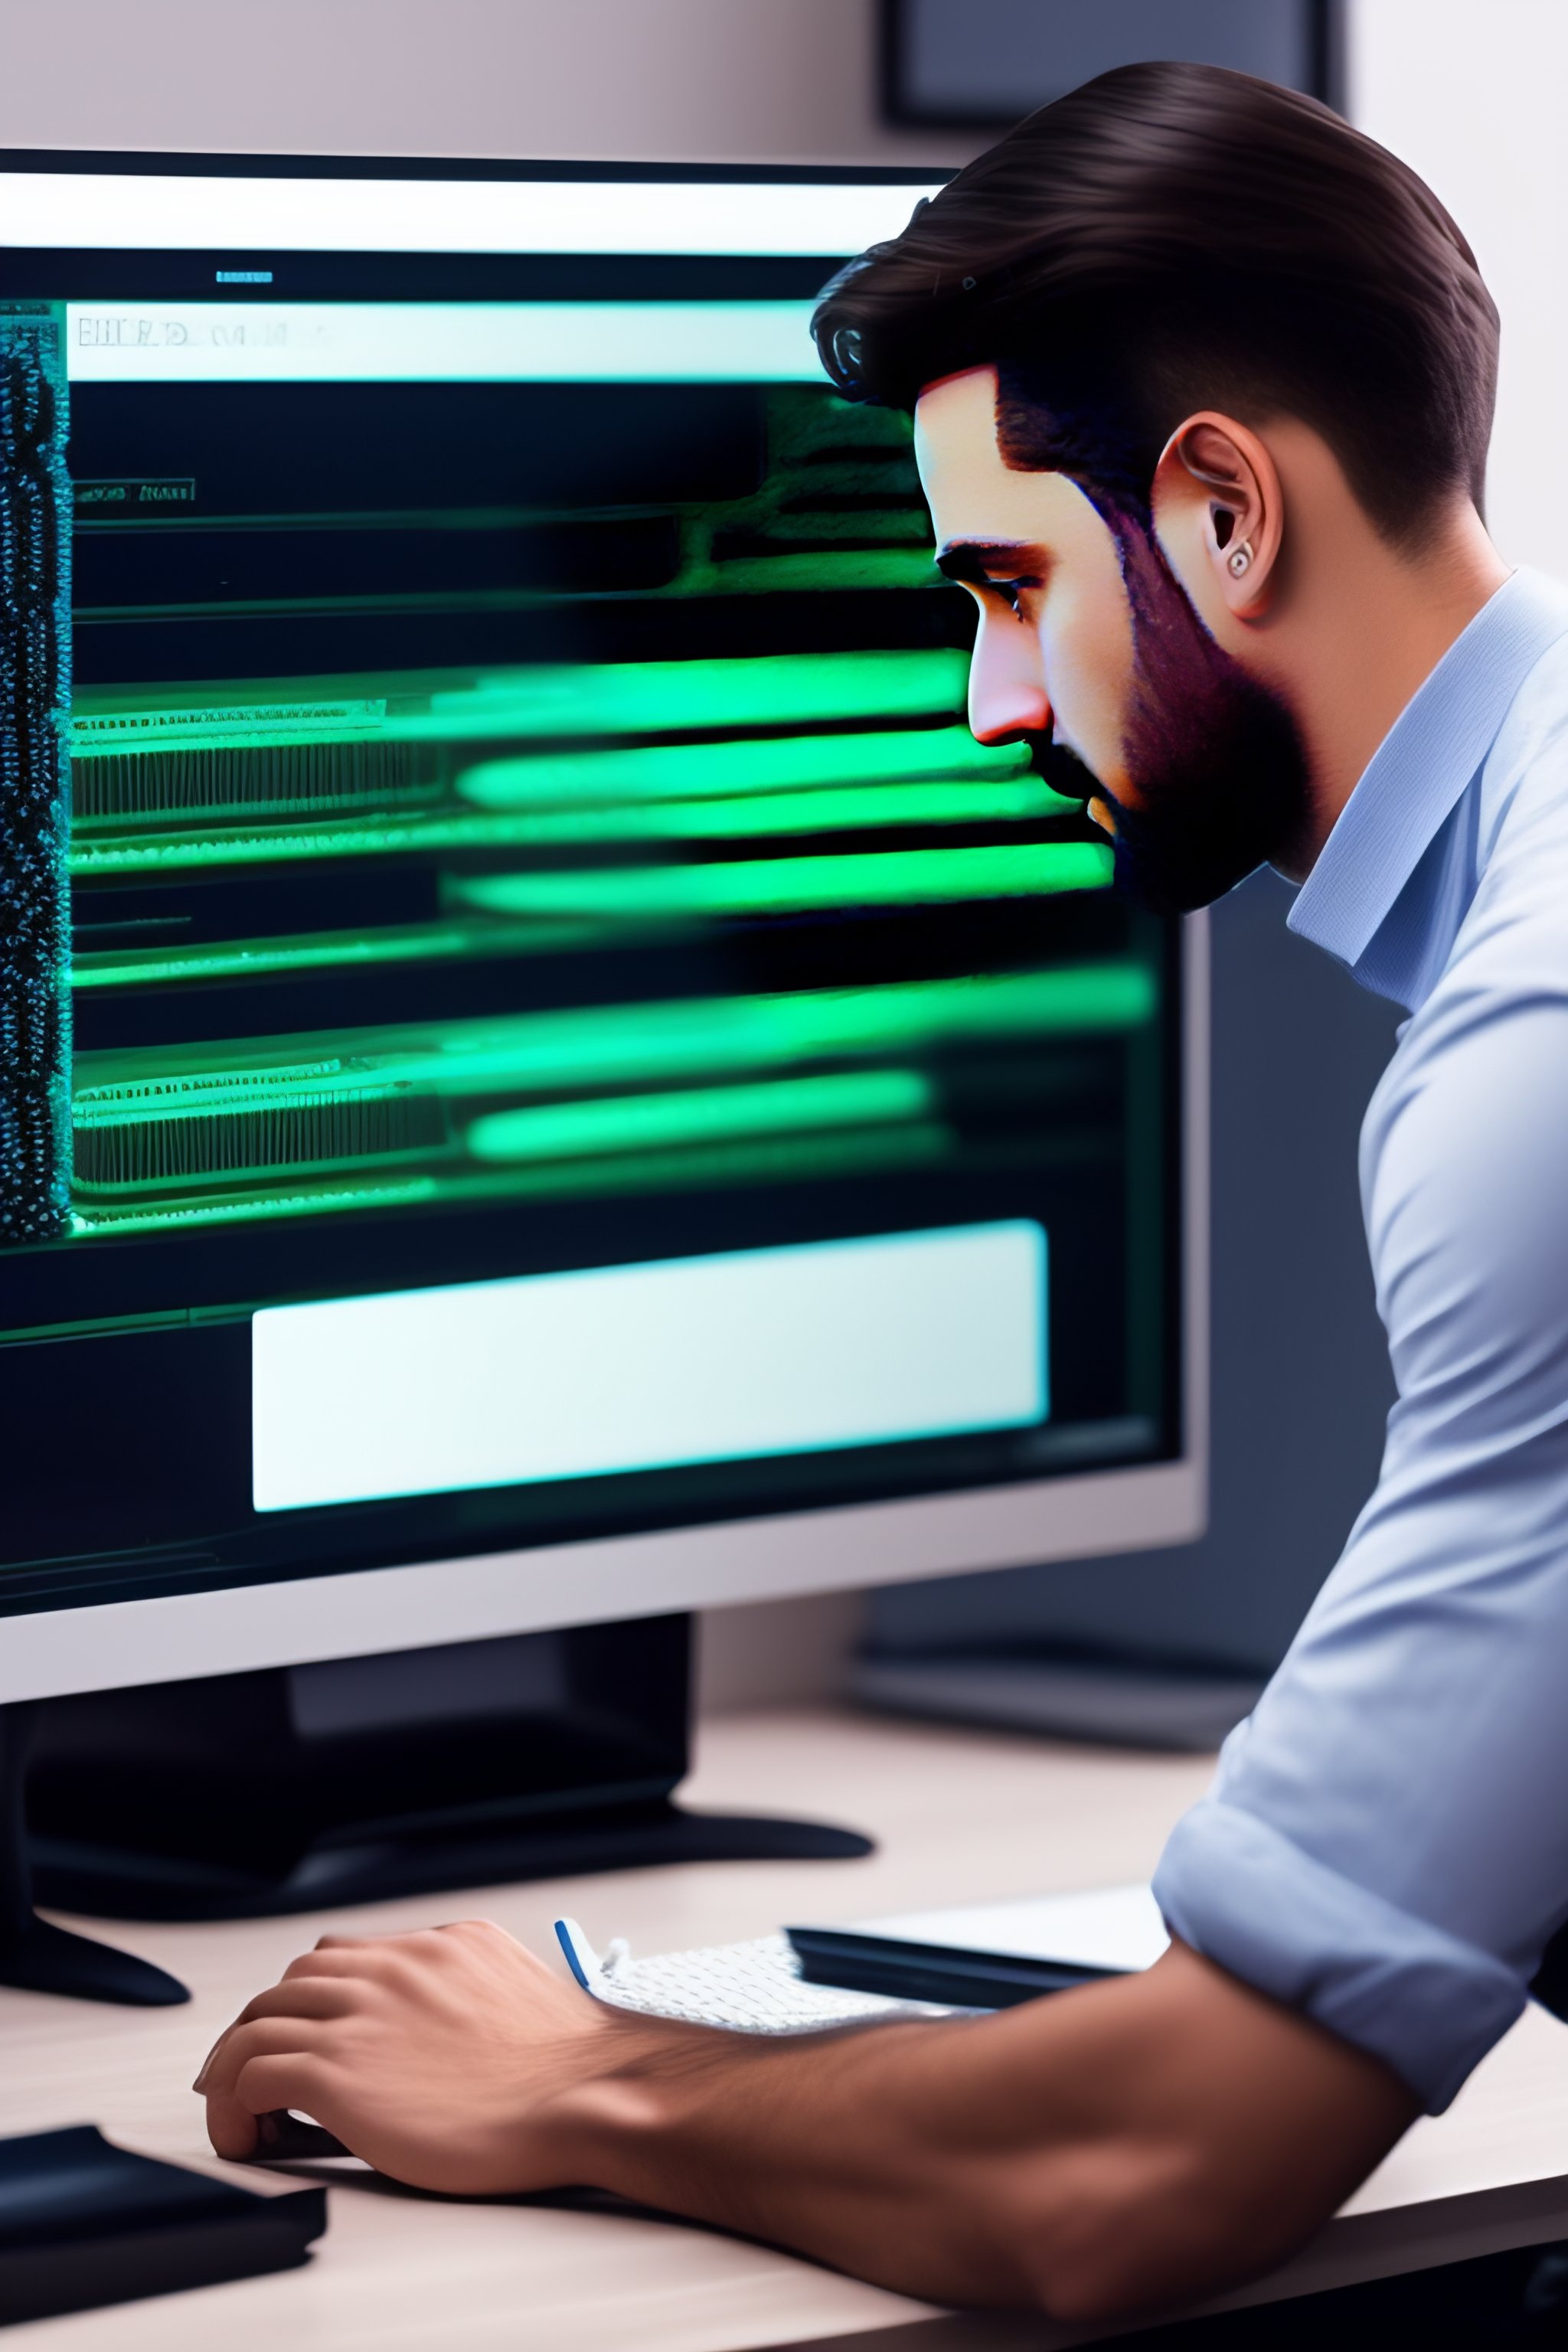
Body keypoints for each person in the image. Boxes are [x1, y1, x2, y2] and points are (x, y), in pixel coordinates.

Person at [192, 63, 1568, 2323]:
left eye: (1010, 583)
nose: (982, 701)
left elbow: (1145, 2171)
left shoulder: (1534, 1062)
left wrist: (583, 2076)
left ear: (1224, 507)